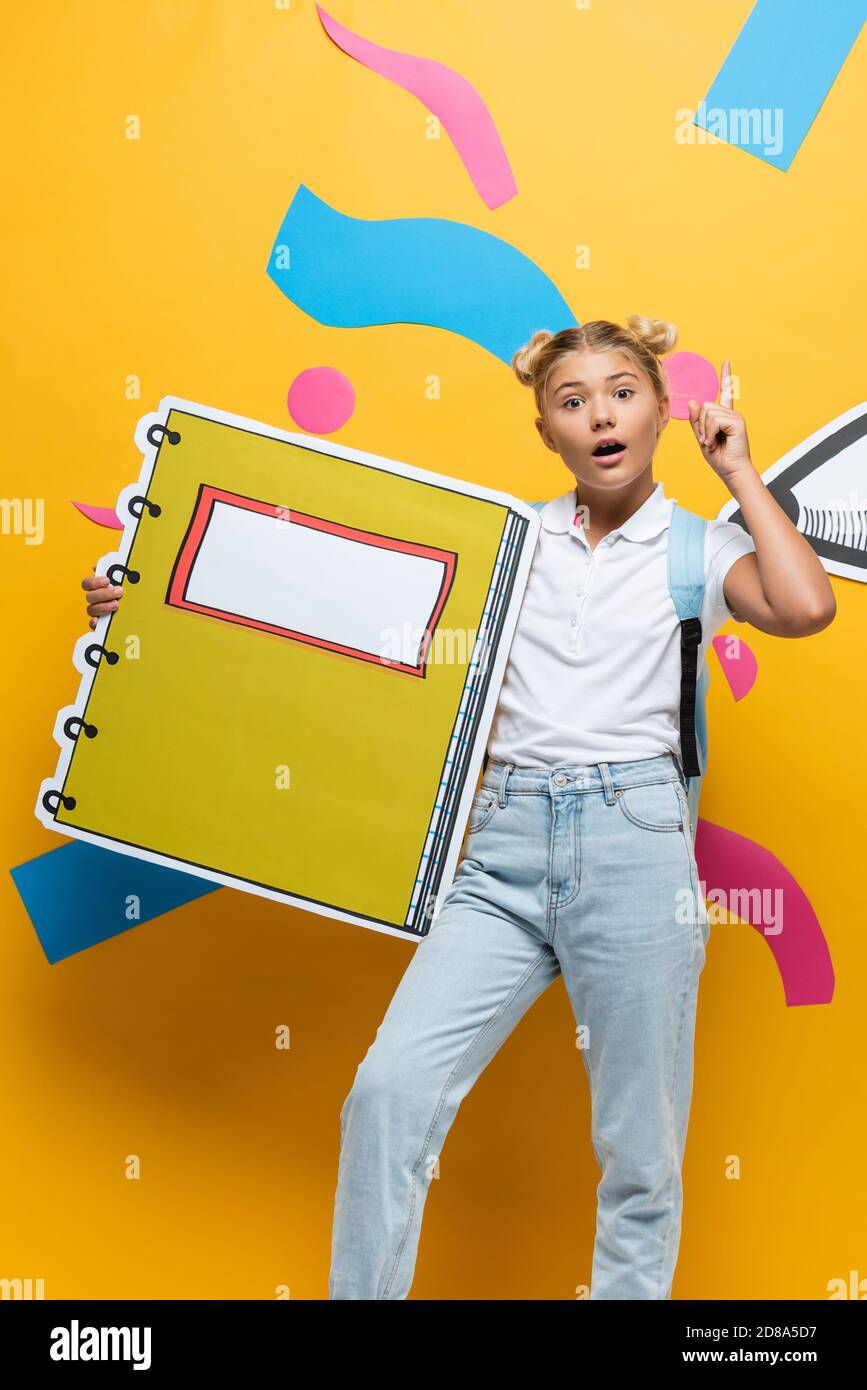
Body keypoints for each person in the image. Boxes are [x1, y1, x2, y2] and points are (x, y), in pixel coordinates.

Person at [81, 316, 836, 1299]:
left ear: (661, 410)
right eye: (572, 401)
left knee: (640, 1149)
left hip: (638, 843)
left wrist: (740, 473)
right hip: (504, 845)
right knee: (388, 1094)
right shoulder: (504, 541)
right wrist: (143, 600)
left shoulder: (699, 549)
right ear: (545, 432)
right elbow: (330, 620)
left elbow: (807, 606)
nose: (599, 413)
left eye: (622, 391)